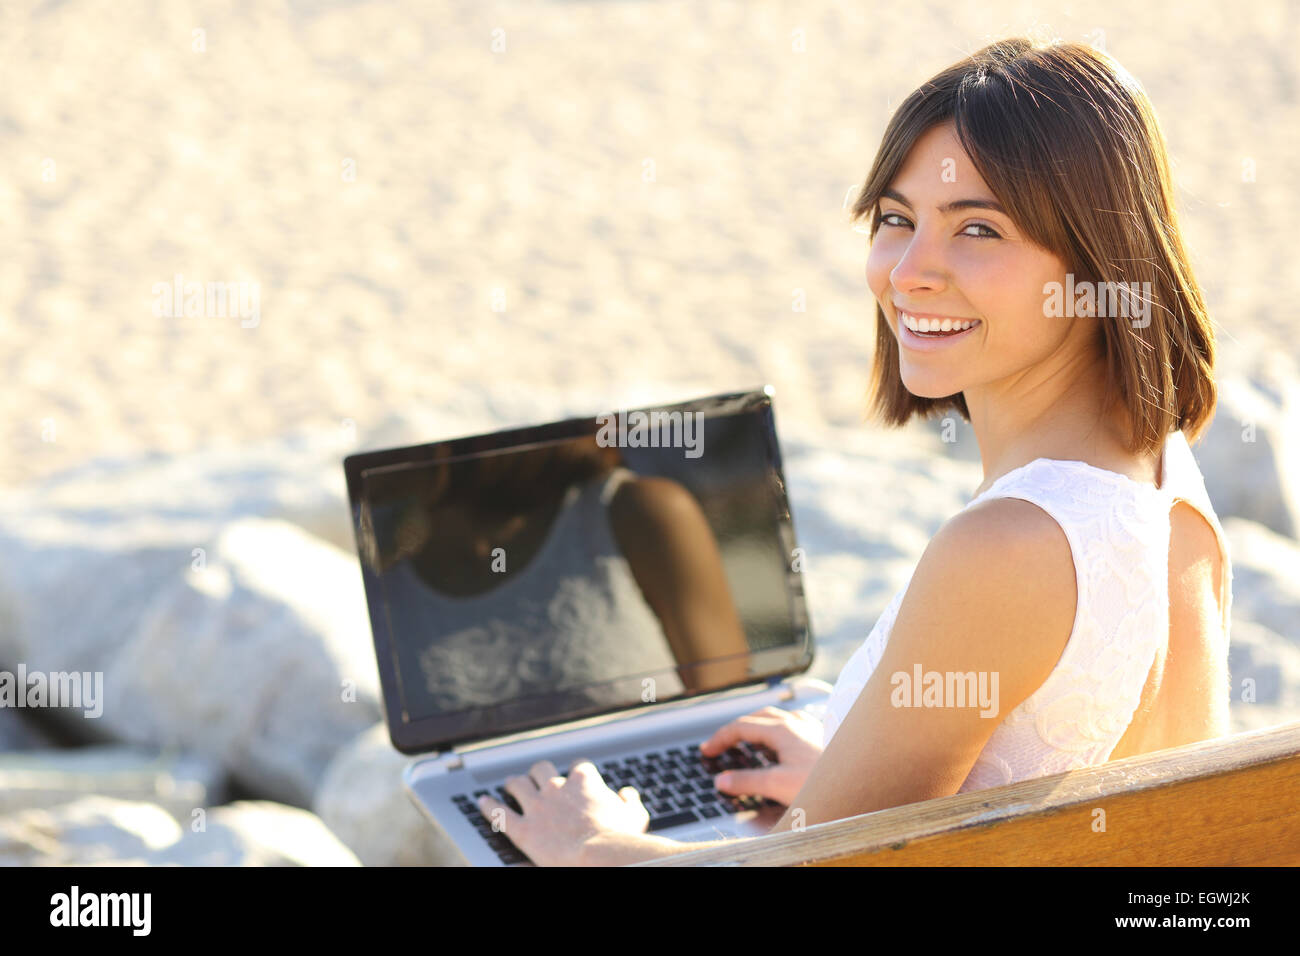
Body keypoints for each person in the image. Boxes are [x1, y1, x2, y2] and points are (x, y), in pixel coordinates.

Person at [476, 36, 1232, 866]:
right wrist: (851, 774)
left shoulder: (1009, 547)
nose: (909, 273)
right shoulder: (1165, 476)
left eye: (978, 229)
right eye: (897, 220)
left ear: (1100, 264)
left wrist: (587, 842)